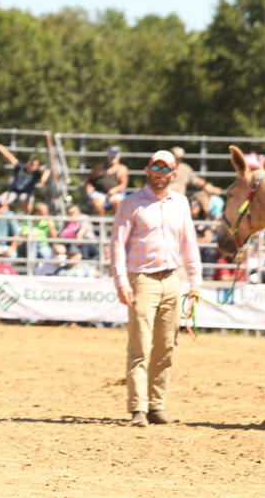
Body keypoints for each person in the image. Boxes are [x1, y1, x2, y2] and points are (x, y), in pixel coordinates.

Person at [110, 149, 203, 428]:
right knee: (139, 344)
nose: (160, 174)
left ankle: (156, 406)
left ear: (175, 173)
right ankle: (138, 407)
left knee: (167, 346)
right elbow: (117, 245)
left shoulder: (181, 203)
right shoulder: (131, 204)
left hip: (171, 279)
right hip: (142, 279)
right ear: (147, 169)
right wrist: (121, 281)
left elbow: (189, 244)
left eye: (166, 169)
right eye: (156, 168)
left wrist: (195, 282)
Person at [0, 144, 50, 213]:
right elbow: (11, 158)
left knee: (25, 201)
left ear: (37, 167)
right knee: (0, 201)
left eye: (33, 165)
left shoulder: (37, 173)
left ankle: (27, 217)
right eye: (30, 163)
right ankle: (1, 215)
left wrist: (43, 180)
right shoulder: (21, 168)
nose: (31, 165)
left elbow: (47, 171)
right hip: (14, 191)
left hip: (27, 193)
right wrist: (2, 149)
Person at [85, 145, 128, 215]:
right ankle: (102, 223)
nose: (113, 157)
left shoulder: (122, 169)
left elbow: (123, 185)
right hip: (99, 192)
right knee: (97, 203)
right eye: (111, 154)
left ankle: (113, 223)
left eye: (115, 154)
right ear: (108, 155)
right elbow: (89, 179)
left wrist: (115, 190)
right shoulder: (100, 167)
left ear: (119, 155)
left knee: (118, 203)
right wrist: (89, 189)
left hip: (115, 194)